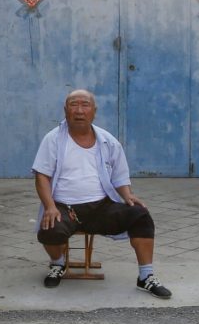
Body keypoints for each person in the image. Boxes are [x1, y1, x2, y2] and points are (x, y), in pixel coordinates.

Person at [32, 89, 172, 299]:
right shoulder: (52, 140)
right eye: (73, 104)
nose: (79, 110)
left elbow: (119, 174)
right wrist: (50, 206)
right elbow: (41, 176)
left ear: (94, 111)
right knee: (50, 227)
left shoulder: (107, 140)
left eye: (85, 105)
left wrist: (127, 195)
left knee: (140, 214)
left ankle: (146, 276)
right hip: (65, 207)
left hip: (101, 206)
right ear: (65, 110)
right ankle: (58, 264)